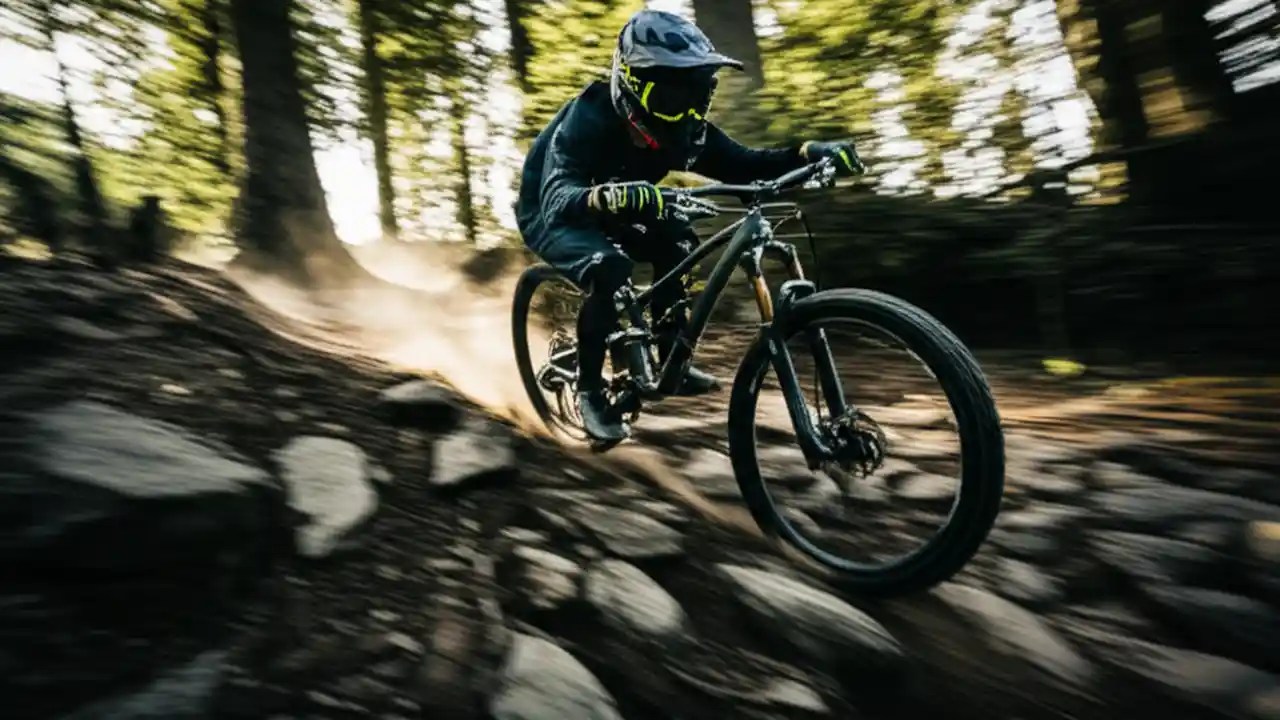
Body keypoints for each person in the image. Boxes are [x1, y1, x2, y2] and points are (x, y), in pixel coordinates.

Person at [515, 9, 865, 443]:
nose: (686, 116)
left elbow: (746, 166)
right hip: (553, 210)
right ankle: (590, 393)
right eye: (672, 99)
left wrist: (811, 153)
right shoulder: (588, 119)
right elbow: (557, 198)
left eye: (699, 97)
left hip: (624, 200)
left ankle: (668, 357)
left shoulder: (684, 129)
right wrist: (606, 195)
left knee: (679, 240)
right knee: (608, 268)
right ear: (631, 86)